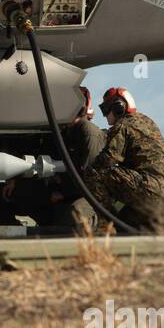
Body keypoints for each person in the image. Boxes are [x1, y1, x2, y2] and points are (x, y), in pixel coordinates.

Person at [85, 87, 164, 230]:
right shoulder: (146, 121)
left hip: (147, 188)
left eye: (106, 110)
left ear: (117, 108)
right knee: (126, 225)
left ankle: (107, 225)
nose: (105, 116)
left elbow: (109, 158)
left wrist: (89, 168)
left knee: (95, 175)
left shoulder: (122, 125)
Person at [53, 86, 107, 232]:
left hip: (94, 194)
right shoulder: (66, 132)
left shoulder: (89, 133)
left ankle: (100, 227)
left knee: (76, 212)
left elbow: (91, 178)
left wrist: (64, 193)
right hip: (75, 191)